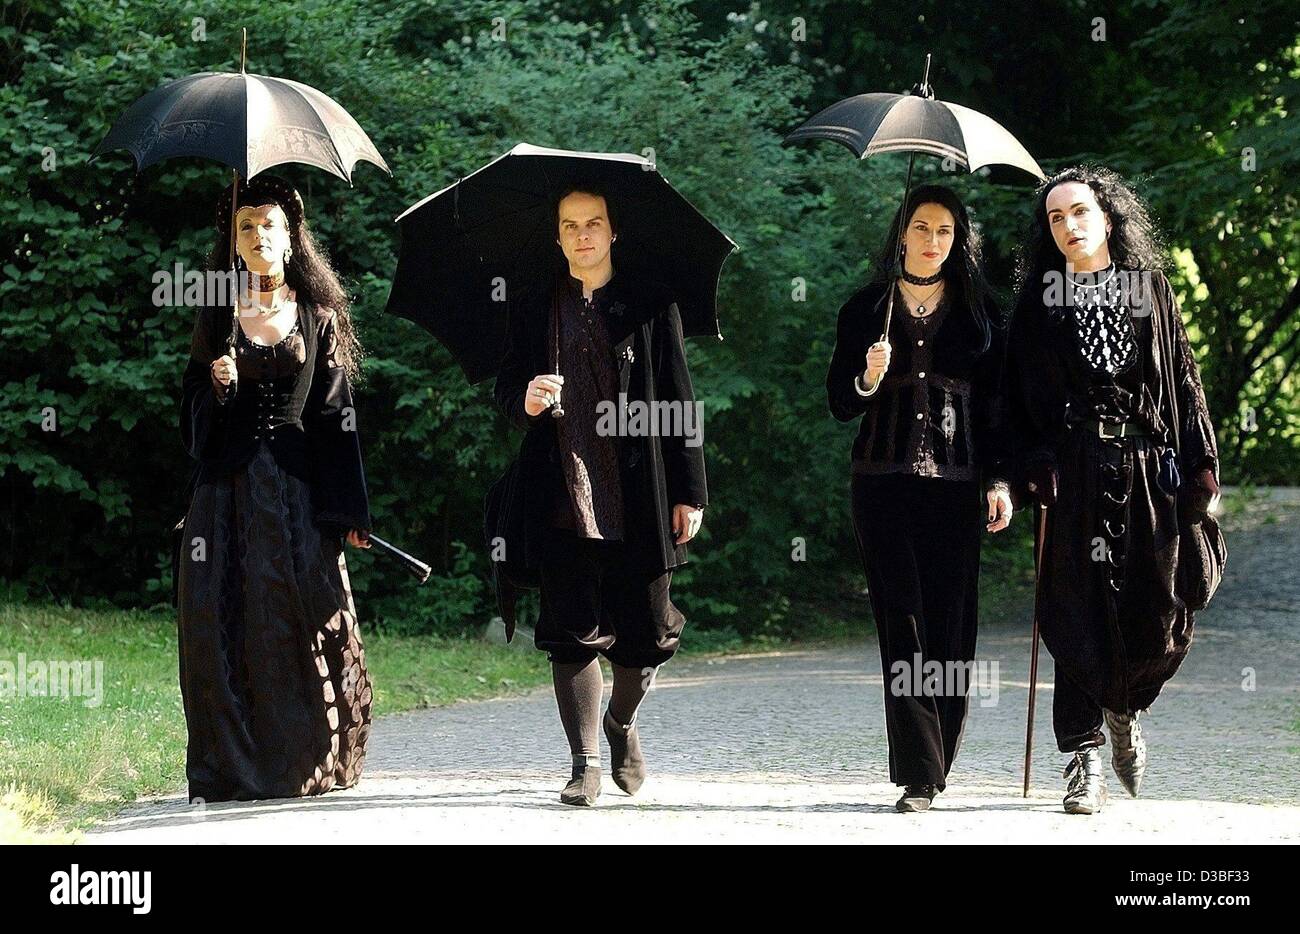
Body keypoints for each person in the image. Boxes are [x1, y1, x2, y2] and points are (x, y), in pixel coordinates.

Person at [1007, 165, 1220, 814]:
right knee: (1074, 612)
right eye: (1055, 218)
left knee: (1155, 613)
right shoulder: (1043, 301)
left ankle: (1124, 707)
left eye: (1079, 212)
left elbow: (1184, 382)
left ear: (1107, 217)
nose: (1069, 225)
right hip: (1074, 475)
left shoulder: (1149, 289)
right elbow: (1018, 400)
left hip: (1150, 472)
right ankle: (1084, 759)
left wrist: (1203, 467)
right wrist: (1034, 463)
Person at [492, 183, 707, 806]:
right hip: (561, 488)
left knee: (648, 634)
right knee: (570, 628)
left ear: (613, 232)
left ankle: (620, 722)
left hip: (640, 490)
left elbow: (678, 398)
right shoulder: (535, 305)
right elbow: (507, 387)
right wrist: (525, 400)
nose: (582, 235)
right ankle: (584, 761)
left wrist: (689, 491)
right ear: (557, 237)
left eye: (593, 223)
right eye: (569, 225)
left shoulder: (649, 304)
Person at [176, 174, 374, 802]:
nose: (258, 234)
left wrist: (349, 508)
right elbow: (191, 425)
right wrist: (218, 386)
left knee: (299, 619)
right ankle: (231, 766)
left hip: (296, 496)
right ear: (232, 241)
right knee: (222, 621)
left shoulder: (319, 315)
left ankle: (301, 762)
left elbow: (336, 417)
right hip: (225, 498)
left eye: (269, 224)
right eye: (246, 225)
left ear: (291, 237)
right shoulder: (215, 310)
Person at [826, 184, 1014, 813]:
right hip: (881, 485)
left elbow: (997, 411)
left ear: (958, 240)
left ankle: (940, 754)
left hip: (957, 489)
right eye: (923, 227)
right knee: (900, 622)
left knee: (951, 627)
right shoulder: (864, 311)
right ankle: (919, 773)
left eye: (945, 232)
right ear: (901, 232)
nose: (933, 241)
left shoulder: (981, 311)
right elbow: (838, 403)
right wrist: (868, 378)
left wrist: (1000, 481)